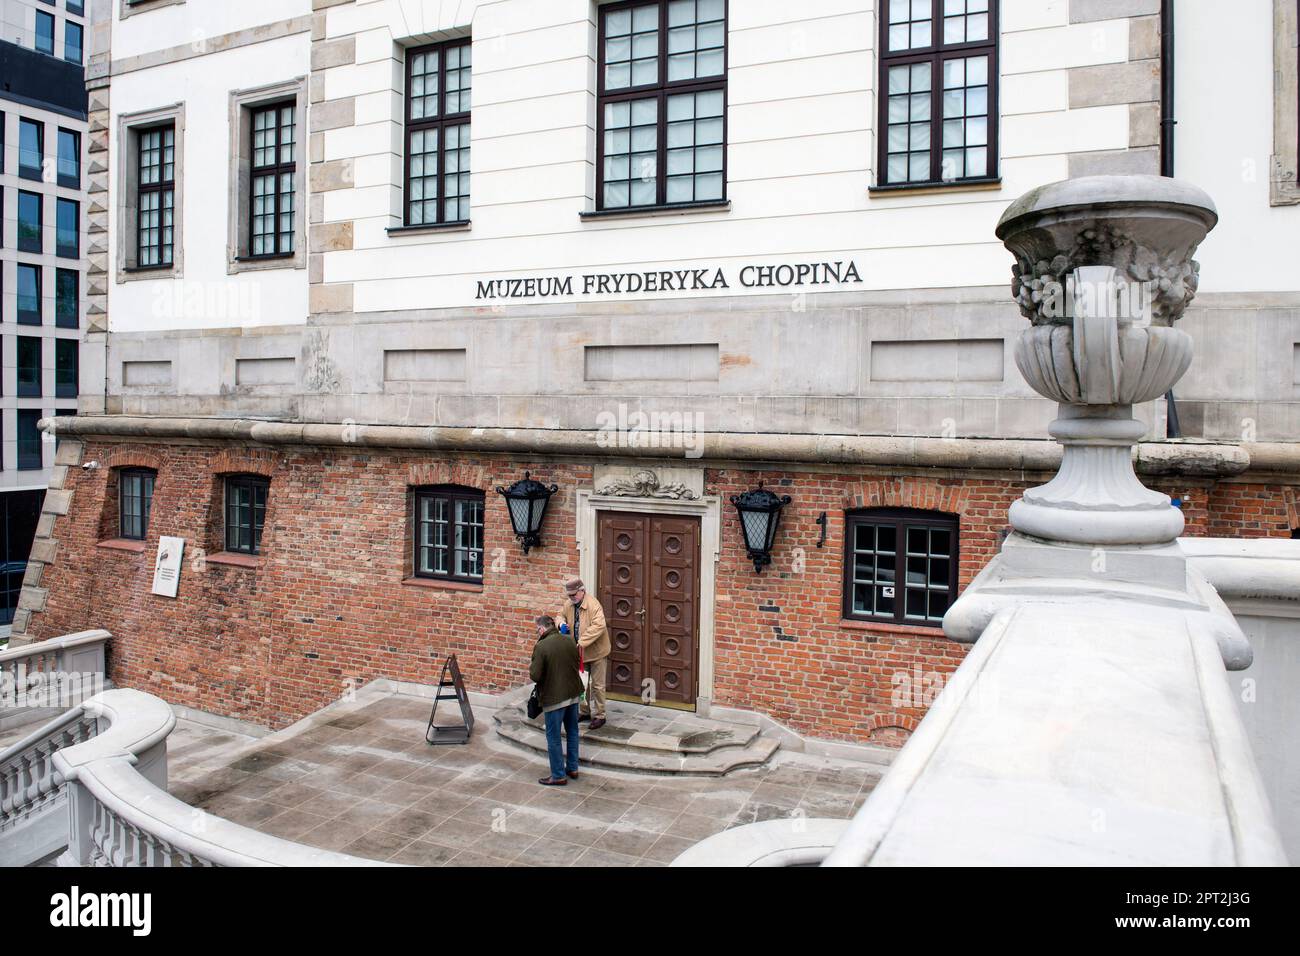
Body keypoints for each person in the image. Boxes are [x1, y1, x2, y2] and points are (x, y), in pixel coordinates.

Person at [529, 613, 584, 786]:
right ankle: (573, 768)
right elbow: (576, 660)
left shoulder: (542, 647)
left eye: (537, 630)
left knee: (553, 737)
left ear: (541, 628)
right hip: (573, 694)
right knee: (573, 731)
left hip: (554, 698)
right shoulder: (568, 639)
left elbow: (535, 675)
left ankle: (558, 774)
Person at [558, 577, 610, 729]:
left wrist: (581, 641)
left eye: (574, 594)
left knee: (598, 686)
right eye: (569, 595)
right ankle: (584, 711)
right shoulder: (569, 604)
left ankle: (600, 715)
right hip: (579, 653)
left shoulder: (594, 605)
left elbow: (599, 626)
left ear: (582, 591)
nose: (571, 597)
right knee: (581, 683)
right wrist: (561, 623)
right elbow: (560, 615)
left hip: (596, 652)